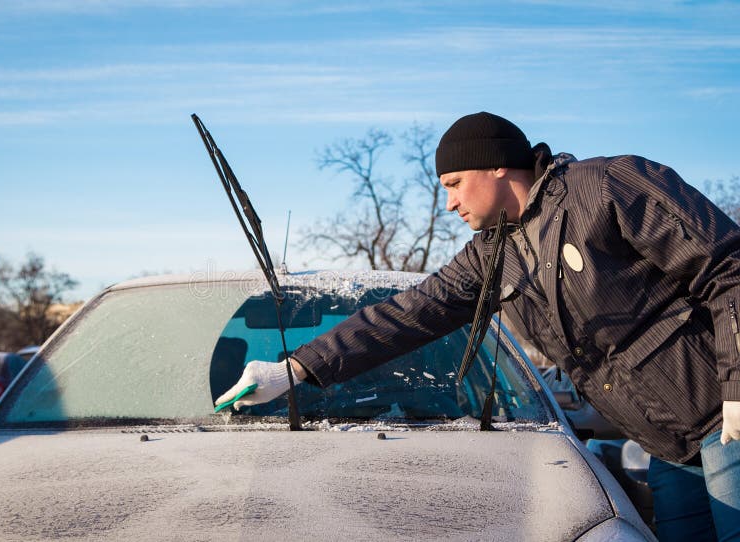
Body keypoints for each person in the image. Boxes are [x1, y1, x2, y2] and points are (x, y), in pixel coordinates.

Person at [215, 112, 740, 541]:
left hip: (726, 419)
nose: (449, 203)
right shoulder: (491, 256)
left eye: (454, 184)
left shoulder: (604, 188)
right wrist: (297, 368)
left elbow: (728, 266)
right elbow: (404, 315)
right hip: (669, 448)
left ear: (495, 168)